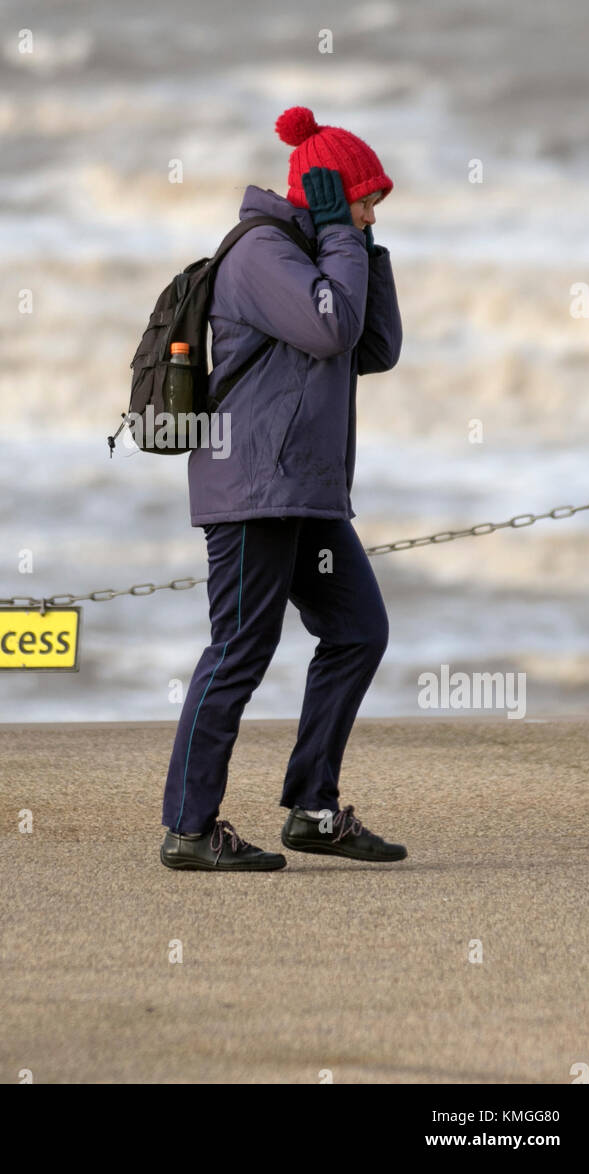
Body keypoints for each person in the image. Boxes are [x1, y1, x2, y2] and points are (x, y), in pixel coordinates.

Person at [160, 105, 407, 872]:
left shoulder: (323, 253)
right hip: (254, 487)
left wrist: (363, 245)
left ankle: (313, 808)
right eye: (363, 199)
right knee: (239, 649)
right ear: (325, 195)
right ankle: (189, 830)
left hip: (303, 491)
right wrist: (341, 238)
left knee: (358, 630)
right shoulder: (264, 253)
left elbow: (374, 346)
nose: (370, 212)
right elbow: (330, 328)